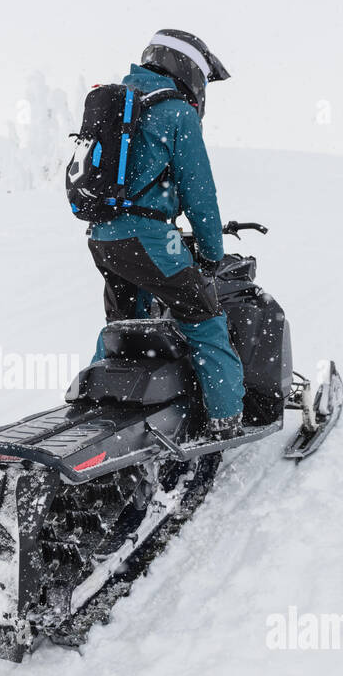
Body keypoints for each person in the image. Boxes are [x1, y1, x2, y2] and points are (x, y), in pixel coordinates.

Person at [87, 29, 247, 437]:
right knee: (206, 320)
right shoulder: (177, 111)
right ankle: (224, 421)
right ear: (189, 67)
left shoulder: (123, 101)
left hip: (103, 238)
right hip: (149, 238)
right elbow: (200, 195)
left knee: (124, 329)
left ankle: (95, 409)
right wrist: (211, 255)